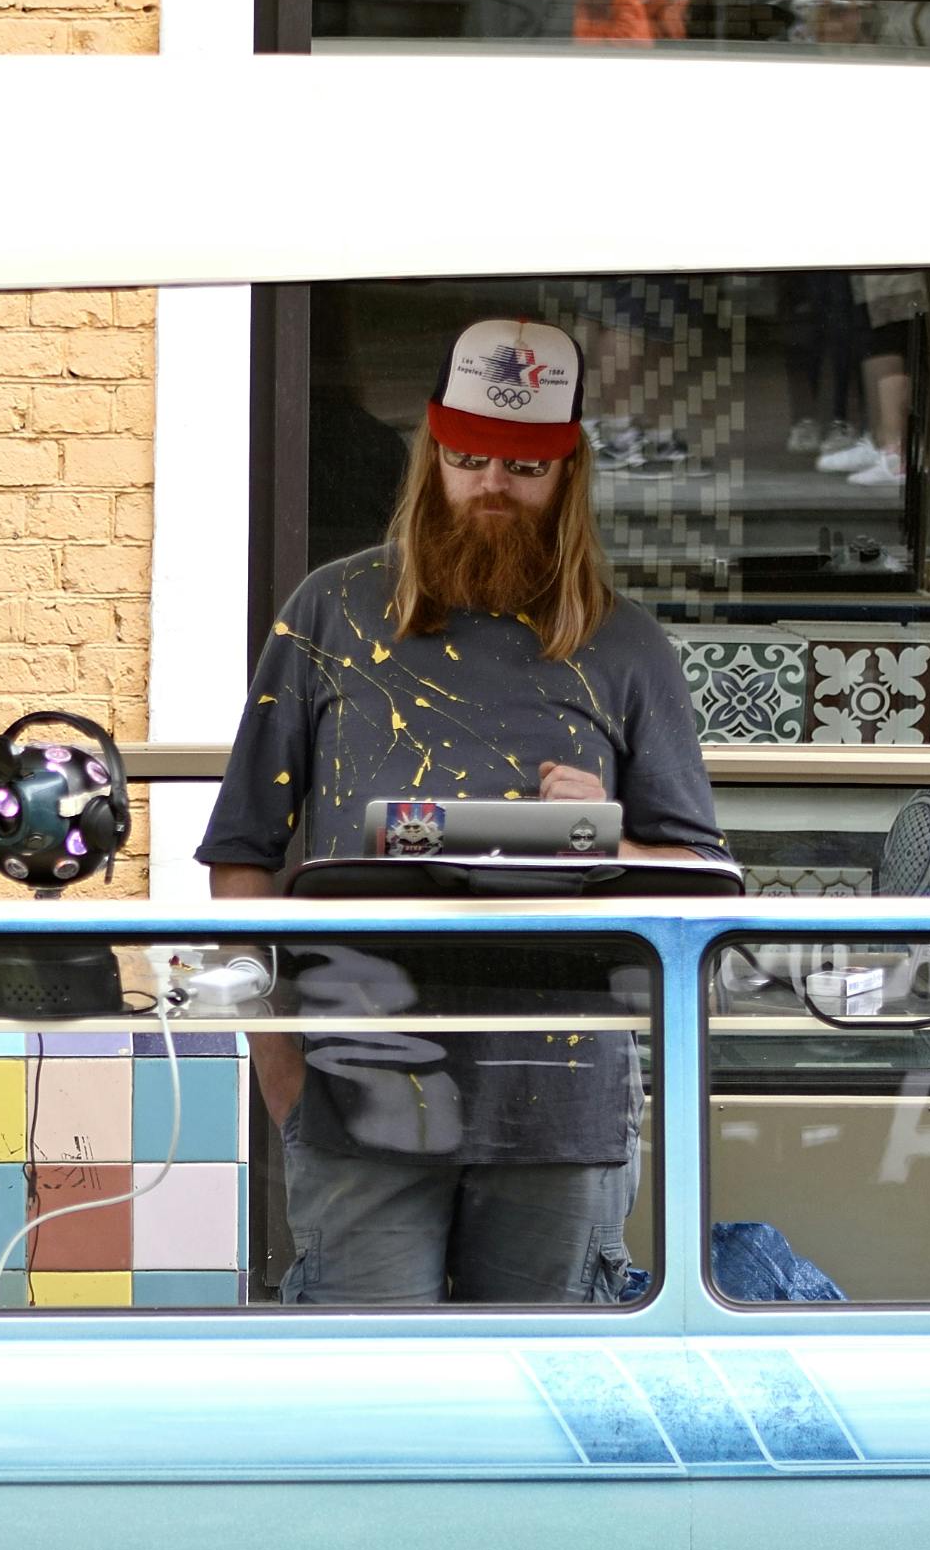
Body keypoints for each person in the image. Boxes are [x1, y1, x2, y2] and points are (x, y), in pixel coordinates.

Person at [201, 316, 726, 1304]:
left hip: (565, 1106)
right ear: (430, 456)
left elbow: (699, 889)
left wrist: (608, 828)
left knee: (550, 1407)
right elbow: (240, 860)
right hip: (356, 1090)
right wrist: (277, 1070)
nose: (491, 484)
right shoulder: (329, 613)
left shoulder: (625, 646)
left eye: (522, 465)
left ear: (567, 474)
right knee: (374, 1404)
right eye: (468, 456)